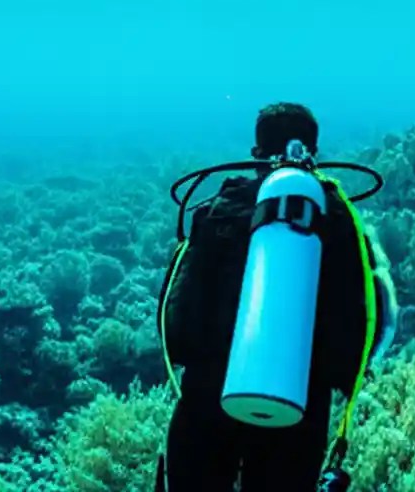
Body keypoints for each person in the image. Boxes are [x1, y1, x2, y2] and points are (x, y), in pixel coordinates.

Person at [157, 102, 398, 492]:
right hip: (298, 409)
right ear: (314, 152)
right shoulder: (341, 220)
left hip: (207, 401)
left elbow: (177, 321)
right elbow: (374, 323)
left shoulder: (218, 209)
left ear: (255, 154)